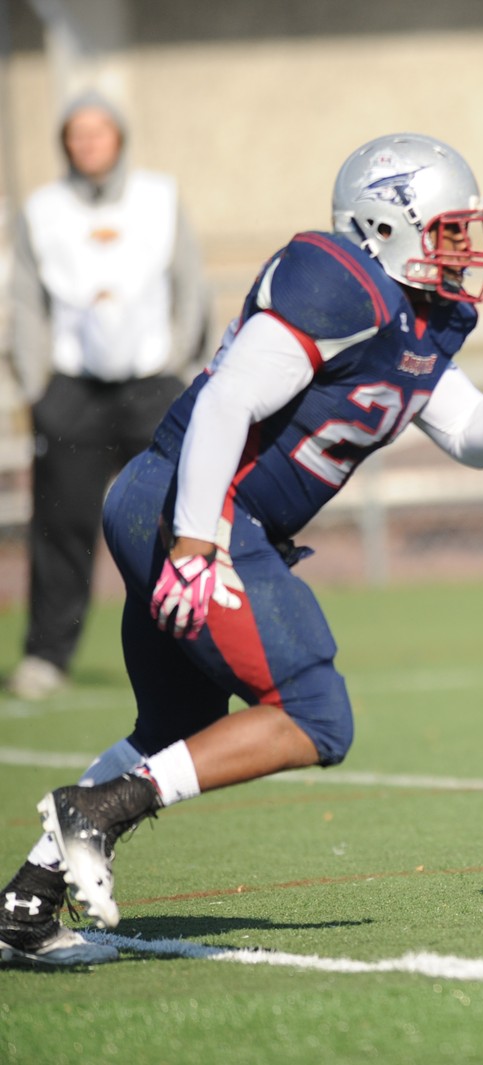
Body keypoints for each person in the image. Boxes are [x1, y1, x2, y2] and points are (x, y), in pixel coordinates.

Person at [0, 133, 483, 965]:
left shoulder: (423, 317)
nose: (466, 249)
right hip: (193, 506)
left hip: (201, 514)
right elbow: (225, 404)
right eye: (450, 230)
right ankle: (93, 811)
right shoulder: (338, 281)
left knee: (178, 724)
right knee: (316, 714)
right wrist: (198, 542)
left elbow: (469, 436)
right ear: (383, 227)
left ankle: (25, 903)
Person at [5, 91, 210, 701]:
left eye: (99, 133)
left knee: (173, 517)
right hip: (72, 390)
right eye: (76, 134)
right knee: (61, 524)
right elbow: (24, 300)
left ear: (119, 138)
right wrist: (36, 384)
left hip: (152, 385)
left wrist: (181, 364)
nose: (88, 144)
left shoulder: (160, 197)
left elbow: (189, 285)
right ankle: (47, 655)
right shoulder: (42, 210)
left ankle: (190, 645)